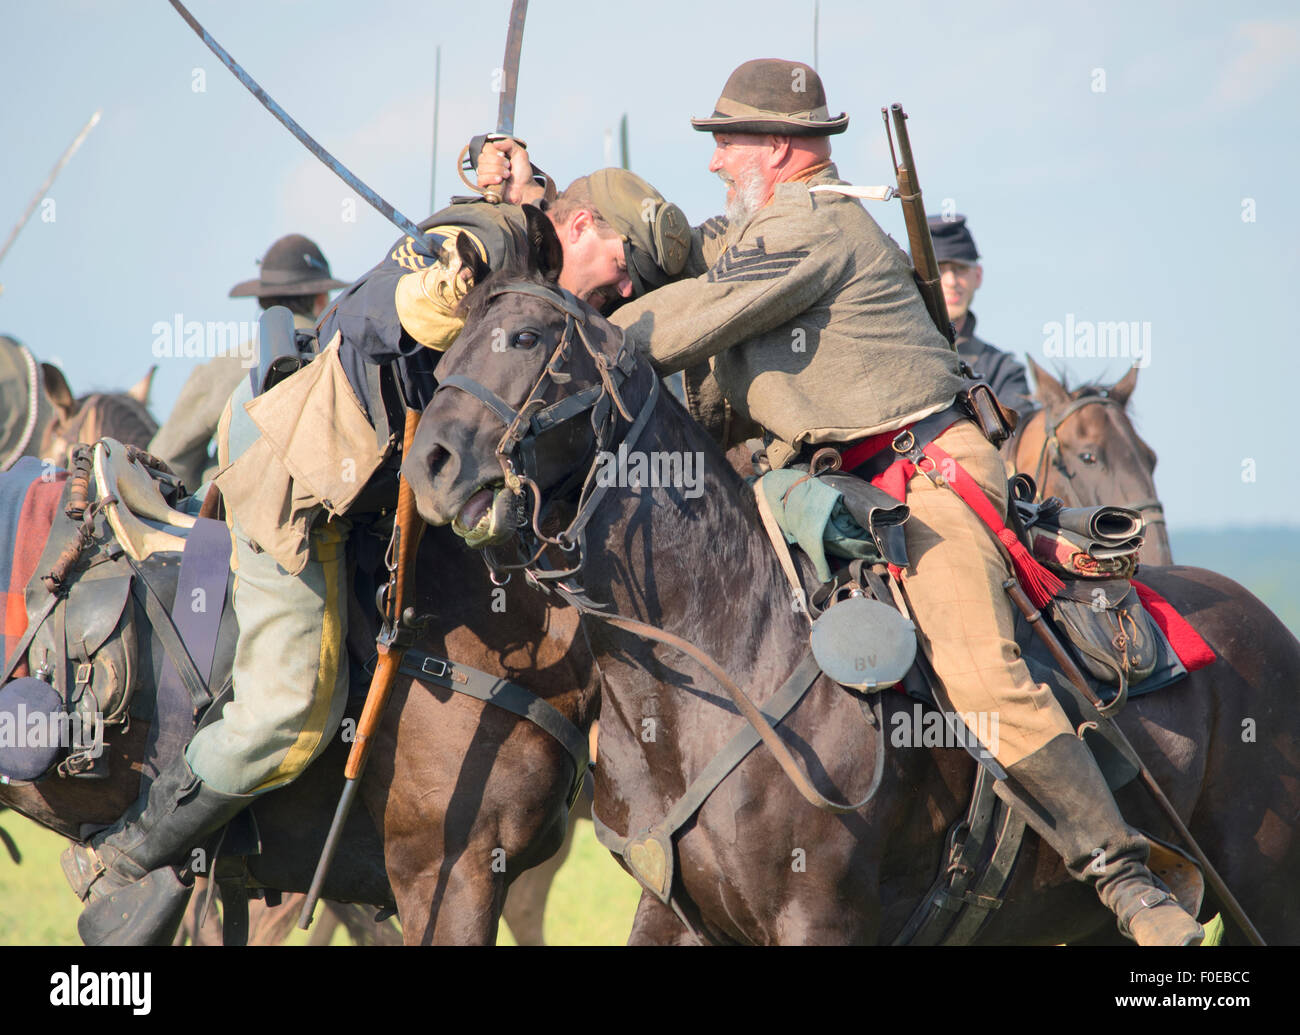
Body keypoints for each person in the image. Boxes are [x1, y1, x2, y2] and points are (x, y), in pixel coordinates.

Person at [602, 58, 1203, 945]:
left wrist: (575, 336)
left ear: (777, 148)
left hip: (925, 477)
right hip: (815, 489)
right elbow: (709, 388)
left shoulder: (815, 225)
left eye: (727, 142)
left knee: (981, 670)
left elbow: (690, 319)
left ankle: (1123, 876)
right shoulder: (763, 244)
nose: (715, 162)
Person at [61, 168, 691, 944]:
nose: (625, 289)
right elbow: (414, 301)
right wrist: (457, 272)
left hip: (363, 487)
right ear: (585, 223)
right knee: (291, 706)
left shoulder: (532, 274)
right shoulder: (495, 241)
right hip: (300, 456)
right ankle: (127, 855)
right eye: (627, 263)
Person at [147, 235, 350, 493]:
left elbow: (169, 460)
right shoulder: (343, 356)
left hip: (230, 518)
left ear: (263, 301)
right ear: (321, 299)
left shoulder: (226, 367)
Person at [928, 214, 1034, 421]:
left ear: (978, 276)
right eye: (939, 270)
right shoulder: (897, 357)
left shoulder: (1003, 371)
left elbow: (1017, 443)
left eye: (960, 269)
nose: (951, 281)